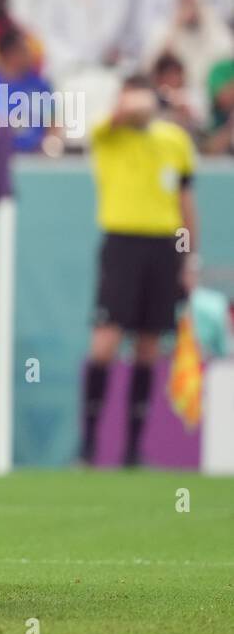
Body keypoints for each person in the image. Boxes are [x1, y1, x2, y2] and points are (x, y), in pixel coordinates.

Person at [83, 78, 199, 467]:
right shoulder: (108, 133)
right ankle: (88, 446)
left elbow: (185, 204)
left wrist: (188, 259)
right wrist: (136, 105)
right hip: (122, 245)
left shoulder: (174, 141)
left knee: (149, 347)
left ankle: (133, 449)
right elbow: (115, 119)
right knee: (106, 343)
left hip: (163, 248)